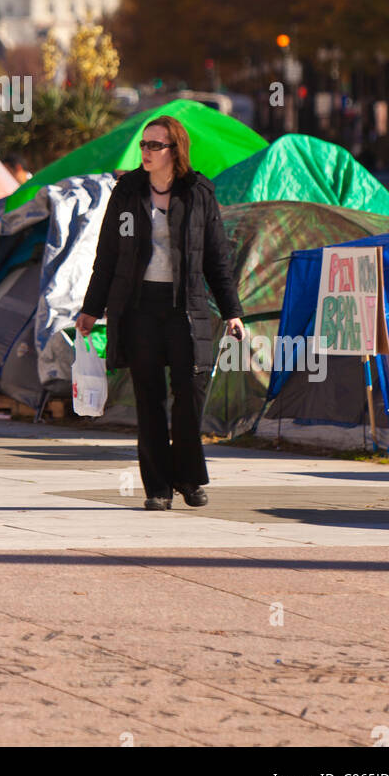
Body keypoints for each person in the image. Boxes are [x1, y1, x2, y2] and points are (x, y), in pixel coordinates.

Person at [76, 117, 245, 510]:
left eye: (155, 146)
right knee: (149, 399)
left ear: (175, 151)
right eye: (144, 145)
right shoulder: (127, 191)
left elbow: (217, 258)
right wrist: (91, 308)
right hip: (138, 310)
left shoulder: (200, 192)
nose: (146, 152)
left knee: (189, 394)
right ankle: (157, 488)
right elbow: (108, 256)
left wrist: (232, 311)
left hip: (186, 308)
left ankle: (188, 477)